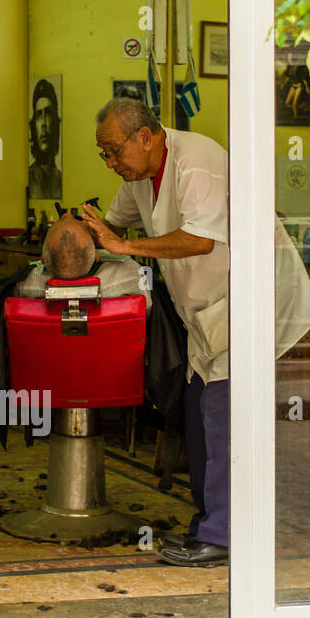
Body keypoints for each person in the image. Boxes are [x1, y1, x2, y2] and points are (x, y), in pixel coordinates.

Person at [80, 98, 229, 566]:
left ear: (145, 137)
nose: (110, 162)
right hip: (200, 316)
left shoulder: (198, 160)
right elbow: (112, 226)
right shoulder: (138, 178)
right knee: (196, 416)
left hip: (237, 306)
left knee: (220, 419)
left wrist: (122, 244)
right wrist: (78, 230)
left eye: (112, 151)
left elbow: (200, 239)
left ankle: (221, 534)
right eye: (102, 154)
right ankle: (207, 523)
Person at [15, 211, 152, 301]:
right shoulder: (131, 276)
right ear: (95, 256)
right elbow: (148, 314)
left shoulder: (25, 285)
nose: (68, 214)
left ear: (43, 258)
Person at [28, 77, 62, 199]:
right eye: (38, 116)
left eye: (48, 113)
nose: (43, 124)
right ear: (33, 127)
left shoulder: (60, 178)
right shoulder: (28, 177)